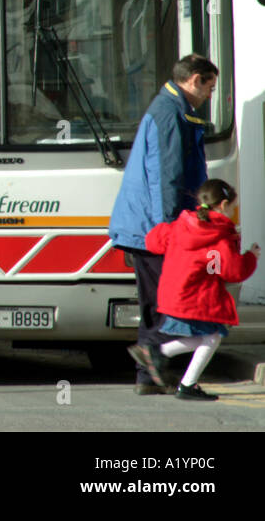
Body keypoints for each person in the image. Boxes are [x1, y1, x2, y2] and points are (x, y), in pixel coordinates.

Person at [108, 54, 218, 394]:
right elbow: (166, 177)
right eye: (210, 87)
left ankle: (151, 375)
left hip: (146, 227)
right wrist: (171, 230)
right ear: (195, 79)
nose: (210, 95)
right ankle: (152, 363)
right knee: (162, 301)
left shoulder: (167, 107)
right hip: (154, 230)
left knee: (156, 301)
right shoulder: (170, 113)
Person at [131, 179, 260, 401]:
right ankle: (186, 384)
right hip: (198, 297)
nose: (233, 212)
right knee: (212, 337)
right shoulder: (220, 236)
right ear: (223, 205)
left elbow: (153, 241)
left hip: (174, 294)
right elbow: (232, 272)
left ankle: (157, 353)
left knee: (205, 336)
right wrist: (251, 256)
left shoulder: (181, 225)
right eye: (233, 208)